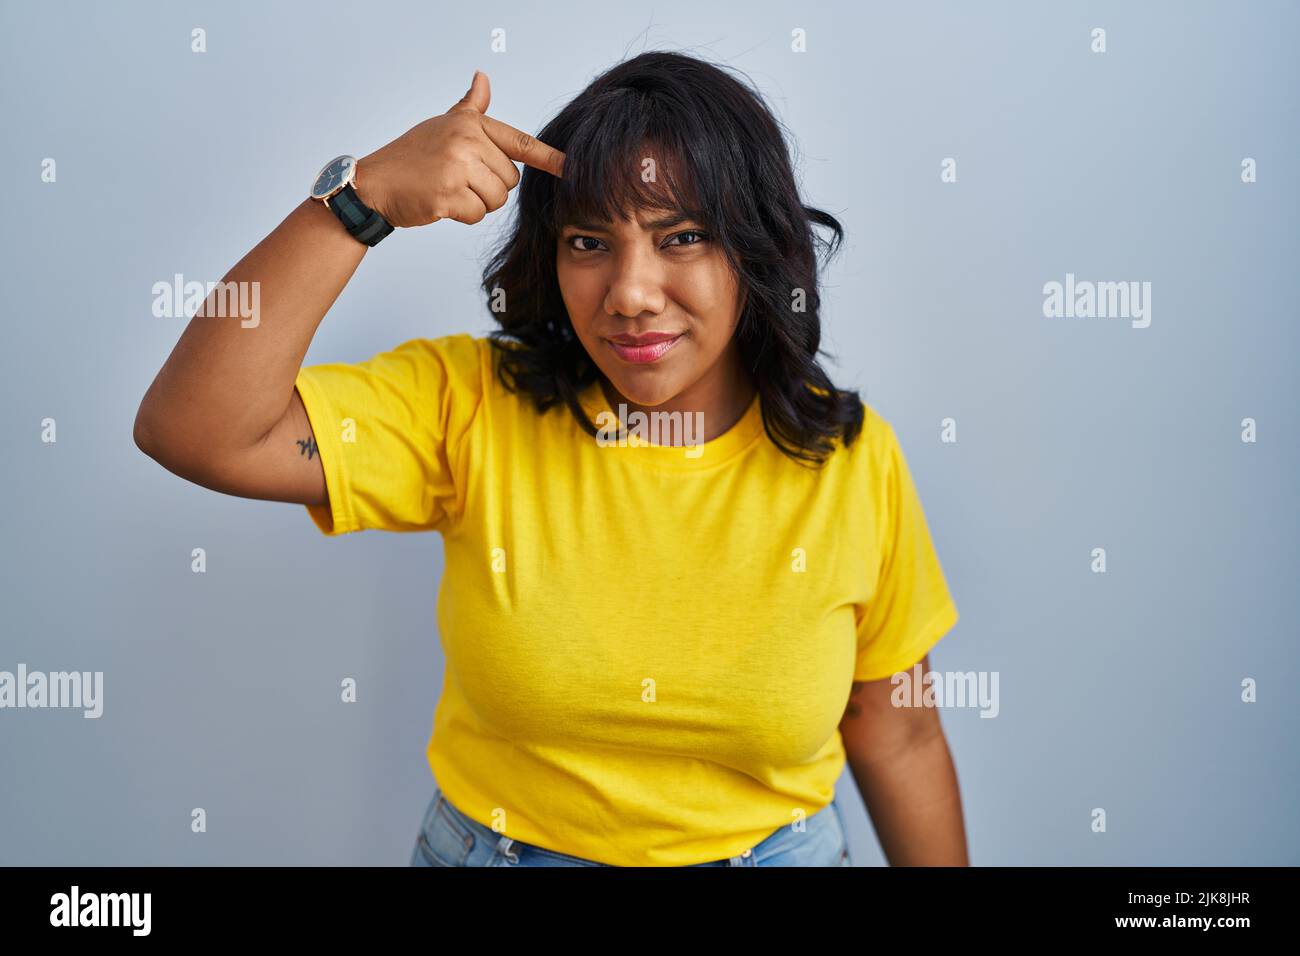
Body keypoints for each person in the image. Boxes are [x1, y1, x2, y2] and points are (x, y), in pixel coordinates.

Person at [134, 51, 966, 867]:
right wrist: (360, 200)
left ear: (755, 251)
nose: (632, 294)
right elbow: (196, 430)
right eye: (589, 241)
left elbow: (901, 728)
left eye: (681, 237)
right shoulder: (470, 407)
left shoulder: (851, 458)